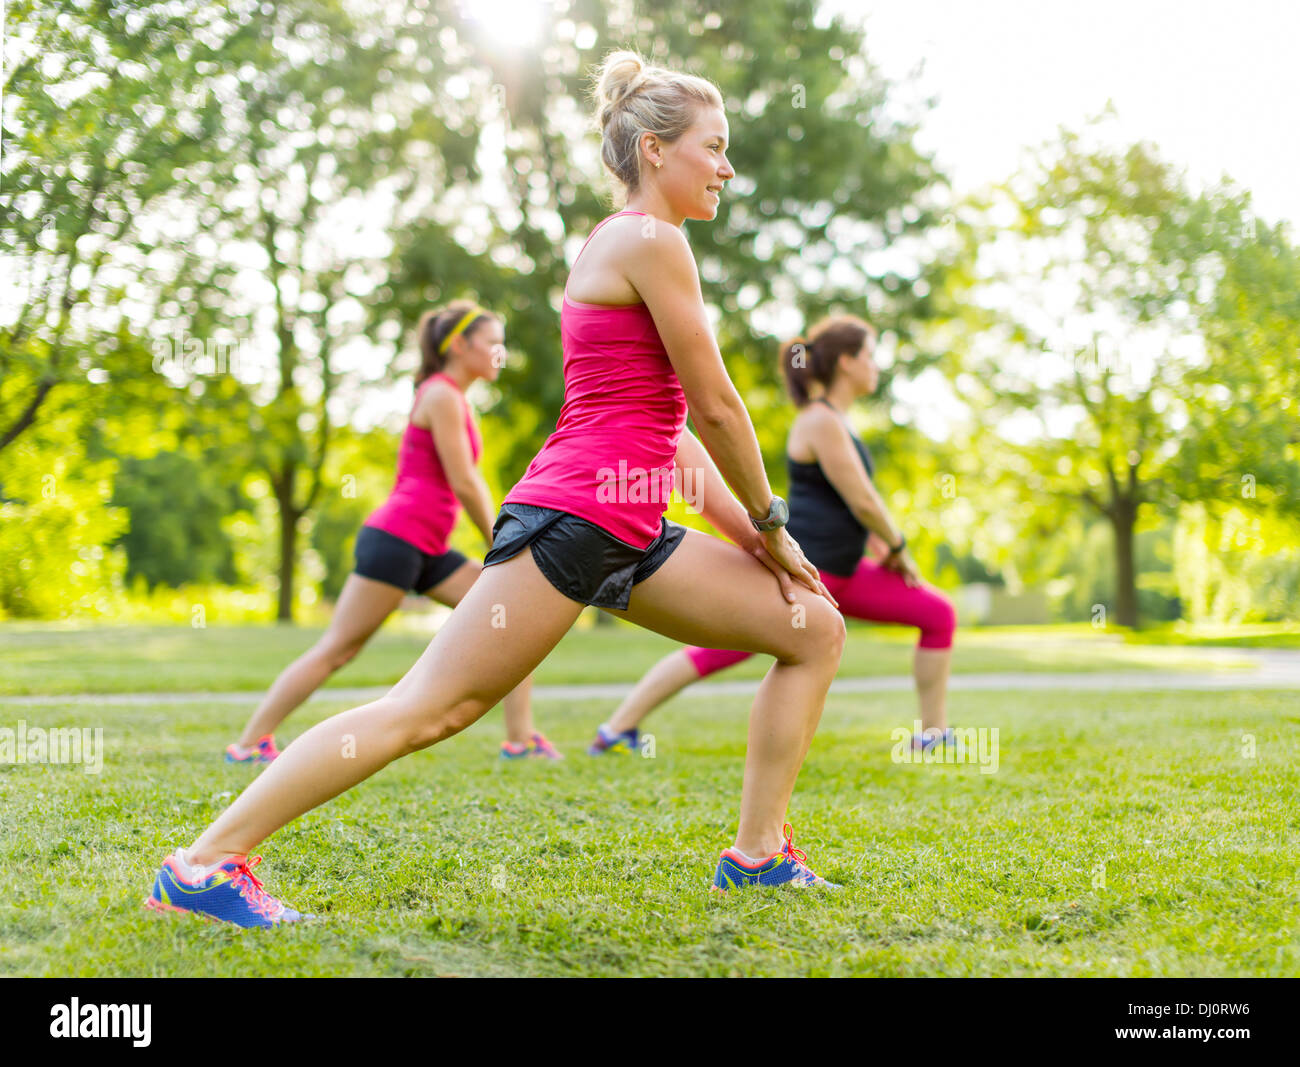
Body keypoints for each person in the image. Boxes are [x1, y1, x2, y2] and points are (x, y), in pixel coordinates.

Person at [145, 50, 848, 927]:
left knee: (812, 626)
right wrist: (774, 520)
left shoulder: (635, 243)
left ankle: (757, 857)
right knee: (431, 709)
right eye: (715, 146)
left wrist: (755, 539)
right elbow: (714, 404)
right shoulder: (648, 238)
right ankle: (204, 864)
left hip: (623, 520)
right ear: (658, 150)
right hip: (577, 517)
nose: (727, 167)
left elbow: (667, 434)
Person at [587, 315, 957, 757]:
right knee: (718, 650)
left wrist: (883, 551)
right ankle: (616, 730)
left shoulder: (838, 421)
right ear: (845, 362)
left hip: (846, 573)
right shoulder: (820, 422)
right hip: (809, 572)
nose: (876, 366)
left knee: (938, 614)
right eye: (870, 355)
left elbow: (849, 506)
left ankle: (932, 735)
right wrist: (899, 548)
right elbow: (863, 500)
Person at [223, 302, 559, 763]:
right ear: (459, 345)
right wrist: (502, 538)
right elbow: (464, 480)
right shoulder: (440, 395)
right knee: (340, 648)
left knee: (513, 622)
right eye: (493, 343)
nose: (501, 353)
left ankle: (520, 740)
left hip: (430, 549)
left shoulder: (452, 399)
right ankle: (249, 744)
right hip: (397, 540)